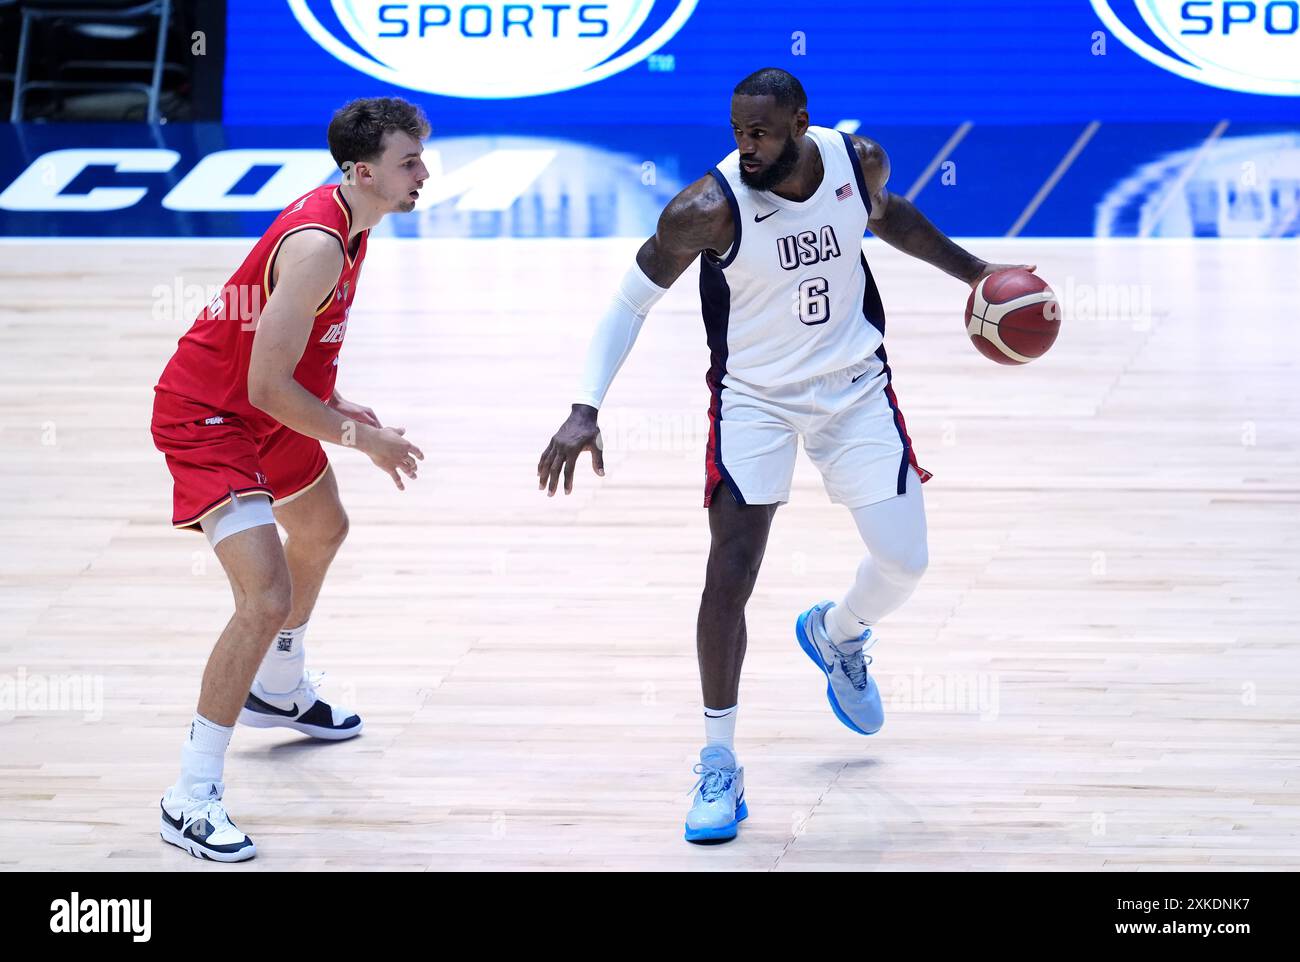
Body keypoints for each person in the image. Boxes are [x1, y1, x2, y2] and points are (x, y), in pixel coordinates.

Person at [537, 69, 1033, 843]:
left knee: (905, 563)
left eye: (762, 132)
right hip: (754, 399)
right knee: (728, 574)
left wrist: (975, 274)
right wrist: (583, 408)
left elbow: (887, 216)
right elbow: (629, 301)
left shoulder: (855, 160)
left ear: (802, 121)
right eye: (739, 132)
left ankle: (837, 633)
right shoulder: (705, 208)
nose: (748, 146)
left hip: (853, 386)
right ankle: (718, 762)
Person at [150, 97, 429, 861]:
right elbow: (265, 386)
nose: (424, 172)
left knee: (322, 527)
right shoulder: (318, 246)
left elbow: (287, 353)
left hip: (260, 409)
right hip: (210, 418)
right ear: (362, 172)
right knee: (264, 596)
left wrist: (332, 400)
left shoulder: (354, 222)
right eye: (410, 161)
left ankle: (279, 684)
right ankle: (190, 795)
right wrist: (362, 437)